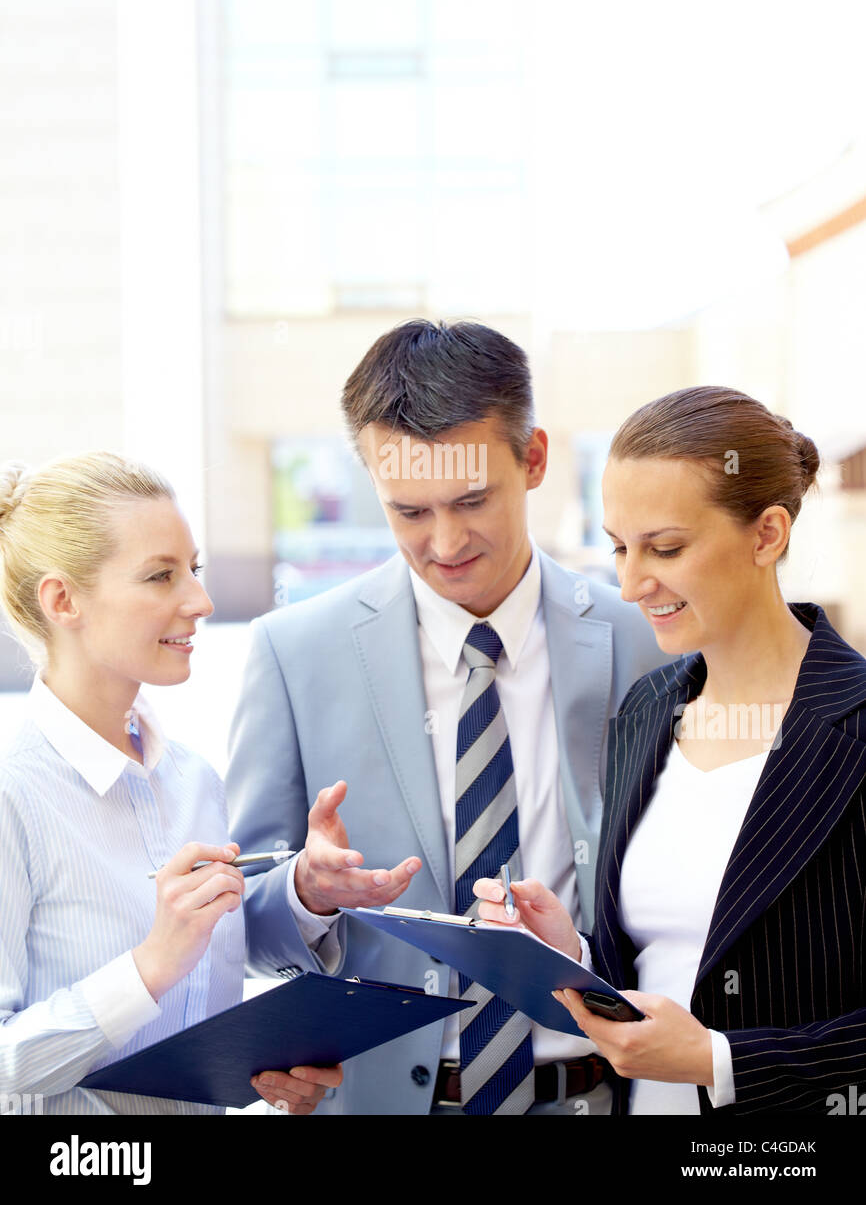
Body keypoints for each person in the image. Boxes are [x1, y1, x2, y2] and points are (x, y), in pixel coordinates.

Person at [226, 319, 667, 1115]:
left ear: (533, 460)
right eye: (409, 512)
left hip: (598, 1097)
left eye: (471, 500)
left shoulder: (646, 641)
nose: (446, 541)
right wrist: (304, 891)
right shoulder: (294, 654)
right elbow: (245, 925)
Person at [475, 384, 866, 1115]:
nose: (629, 584)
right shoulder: (646, 715)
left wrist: (721, 1061)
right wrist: (577, 955)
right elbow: (656, 971)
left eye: (666, 548)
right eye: (620, 548)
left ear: (767, 534)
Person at [0, 452, 341, 1115]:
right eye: (161, 576)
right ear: (62, 599)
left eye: (195, 569)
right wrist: (150, 964)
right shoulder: (12, 792)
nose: (201, 602)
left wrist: (262, 1074)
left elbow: (197, 997)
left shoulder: (192, 779)